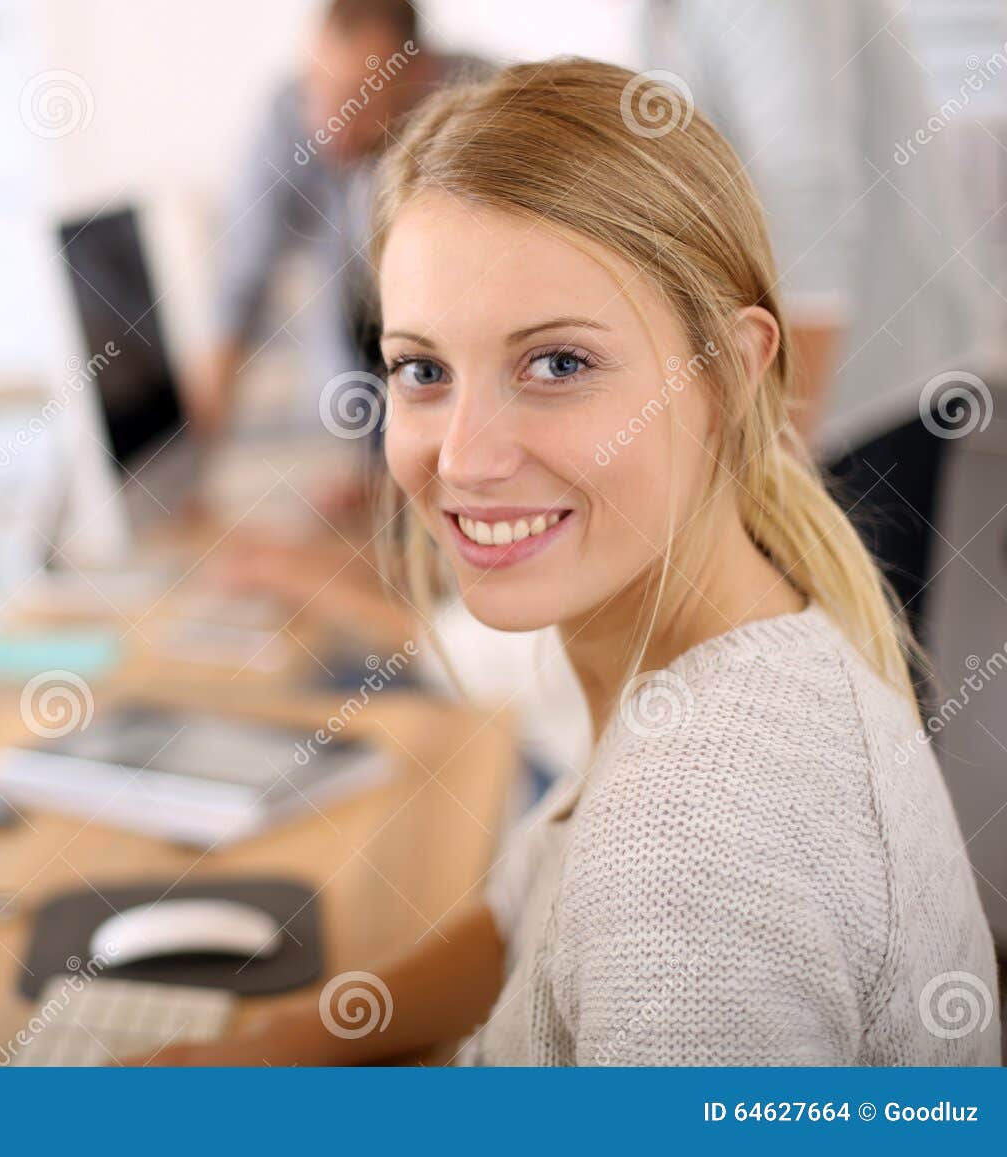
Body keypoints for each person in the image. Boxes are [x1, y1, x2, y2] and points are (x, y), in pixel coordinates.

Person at [142, 59, 999, 1066]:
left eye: (556, 364)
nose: (462, 457)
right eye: (423, 369)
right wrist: (274, 1043)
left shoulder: (693, 844)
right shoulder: (716, 638)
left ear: (729, 372)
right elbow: (527, 912)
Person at [642, 0, 990, 625]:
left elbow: (807, 196)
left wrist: (779, 448)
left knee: (859, 648)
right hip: (801, 370)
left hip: (865, 376)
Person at [184, 0, 492, 441]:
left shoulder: (484, 105)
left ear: (419, 74)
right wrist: (197, 451)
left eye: (356, 100)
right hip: (354, 376)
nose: (328, 125)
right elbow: (241, 276)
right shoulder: (290, 110)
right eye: (318, 93)